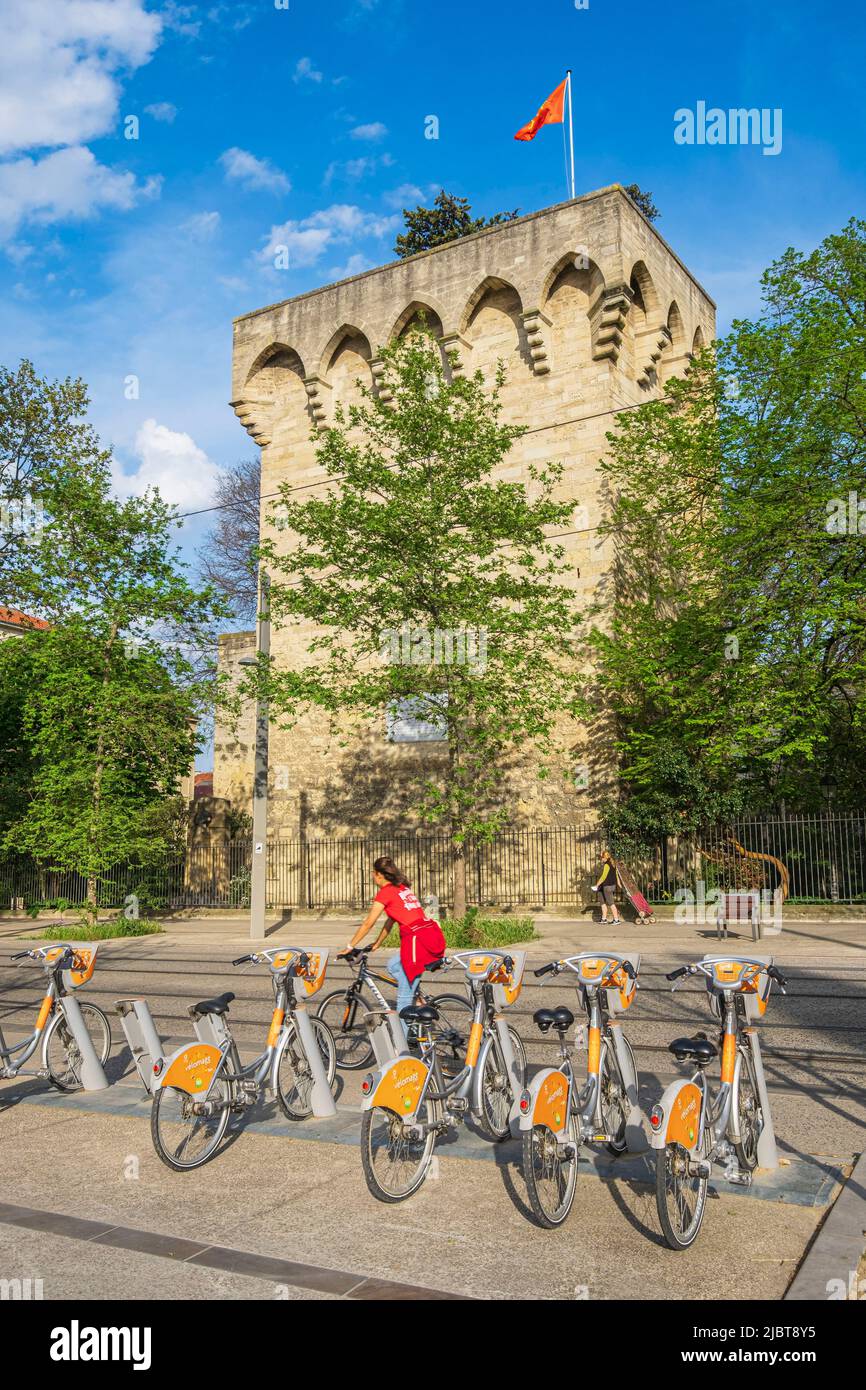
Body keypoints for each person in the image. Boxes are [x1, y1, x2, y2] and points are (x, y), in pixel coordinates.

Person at [340, 856, 446, 1038]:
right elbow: (391, 920)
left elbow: (368, 923)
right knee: (392, 966)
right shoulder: (401, 888)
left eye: (374, 874)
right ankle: (416, 998)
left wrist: (350, 946)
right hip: (427, 936)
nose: (373, 877)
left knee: (403, 1002)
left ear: (379, 875)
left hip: (416, 943)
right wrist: (378, 943)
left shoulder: (385, 893)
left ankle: (401, 1048)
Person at [592, 849, 621, 924]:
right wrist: (618, 884)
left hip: (607, 886)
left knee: (611, 903)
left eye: (601, 858)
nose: (601, 859)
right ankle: (604, 919)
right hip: (611, 886)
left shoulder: (607, 865)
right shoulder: (613, 864)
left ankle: (616, 919)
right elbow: (616, 875)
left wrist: (596, 885)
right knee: (602, 902)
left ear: (604, 857)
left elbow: (603, 877)